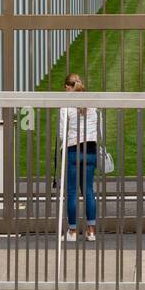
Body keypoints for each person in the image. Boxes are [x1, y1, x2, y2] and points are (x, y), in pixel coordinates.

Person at [59, 73, 99, 241]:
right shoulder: (92, 105)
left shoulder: (66, 106)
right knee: (88, 191)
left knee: (72, 191)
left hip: (73, 149)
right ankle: (91, 231)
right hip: (90, 149)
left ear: (69, 87)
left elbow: (62, 133)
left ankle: (73, 231)